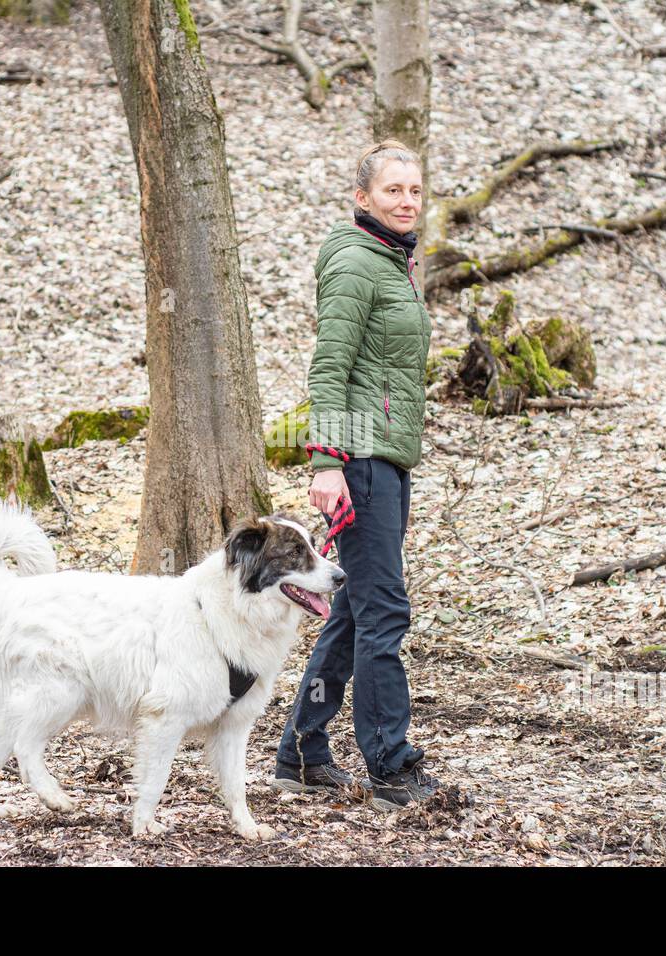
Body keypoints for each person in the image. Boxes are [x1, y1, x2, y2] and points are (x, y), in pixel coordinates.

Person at [271, 139, 438, 811]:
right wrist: (327, 463)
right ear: (362, 198)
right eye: (393, 190)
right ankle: (391, 767)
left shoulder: (394, 260)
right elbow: (330, 366)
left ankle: (302, 753)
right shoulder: (354, 262)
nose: (406, 201)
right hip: (360, 460)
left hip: (385, 459)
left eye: (415, 191)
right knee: (384, 611)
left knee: (351, 611)